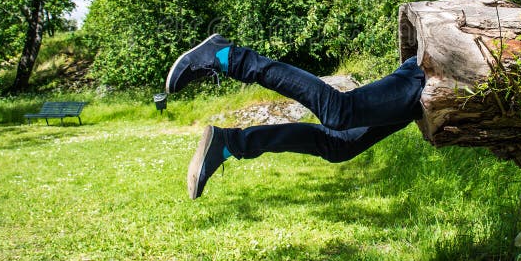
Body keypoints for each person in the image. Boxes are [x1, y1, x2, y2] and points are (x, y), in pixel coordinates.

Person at [165, 34, 425, 199]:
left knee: (339, 146)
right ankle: (229, 58)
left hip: (429, 95)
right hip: (425, 76)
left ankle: (231, 143)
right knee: (340, 111)